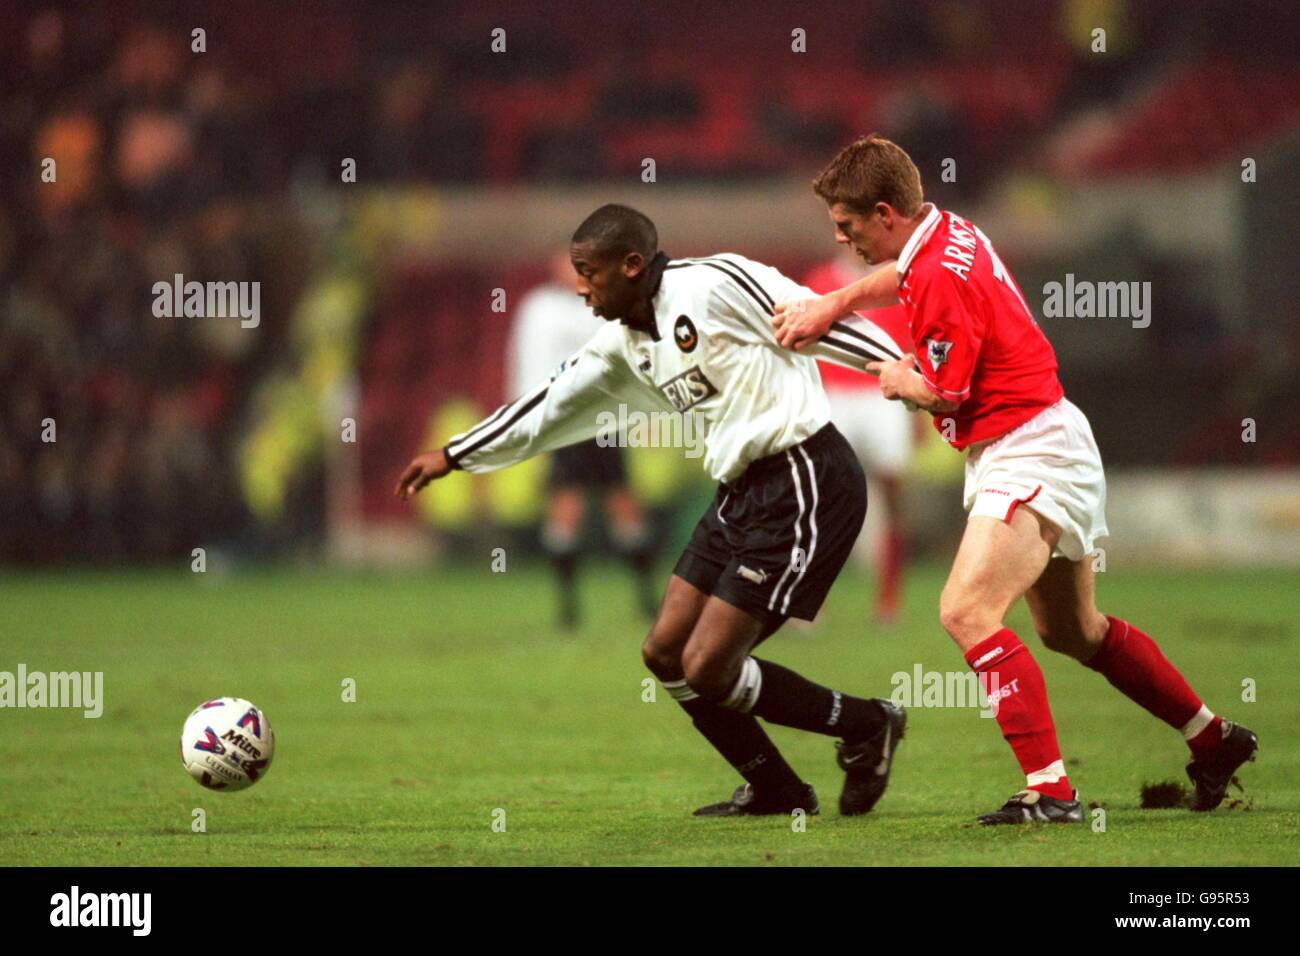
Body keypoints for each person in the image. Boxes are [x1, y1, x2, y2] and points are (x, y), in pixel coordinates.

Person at [774, 135, 1258, 824]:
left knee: (965, 611)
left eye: (847, 226)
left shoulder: (937, 271)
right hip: (1045, 433)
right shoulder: (946, 230)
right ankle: (1214, 738)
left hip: (1029, 449)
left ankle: (1051, 790)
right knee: (1074, 633)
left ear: (884, 213)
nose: (842, 237)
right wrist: (836, 304)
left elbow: (944, 391)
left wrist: (892, 378)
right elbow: (904, 279)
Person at [398, 204, 909, 817]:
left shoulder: (713, 283)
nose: (581, 287)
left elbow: (813, 315)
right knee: (664, 653)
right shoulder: (621, 343)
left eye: (589, 271)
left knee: (709, 665)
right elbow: (548, 403)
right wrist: (455, 455)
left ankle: (866, 723)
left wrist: (898, 368)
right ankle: (777, 789)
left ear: (632, 265)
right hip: (742, 489)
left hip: (805, 475)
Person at [509, 251, 656, 628]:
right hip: (562, 416)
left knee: (622, 502)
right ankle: (568, 606)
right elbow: (524, 360)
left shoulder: (607, 307)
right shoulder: (539, 309)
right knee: (566, 502)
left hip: (604, 418)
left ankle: (646, 598)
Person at [803, 252, 916, 623]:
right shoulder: (821, 279)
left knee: (893, 498)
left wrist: (916, 409)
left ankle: (889, 598)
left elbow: (913, 342)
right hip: (836, 396)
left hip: (885, 396)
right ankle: (813, 602)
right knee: (823, 500)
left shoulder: (897, 280)